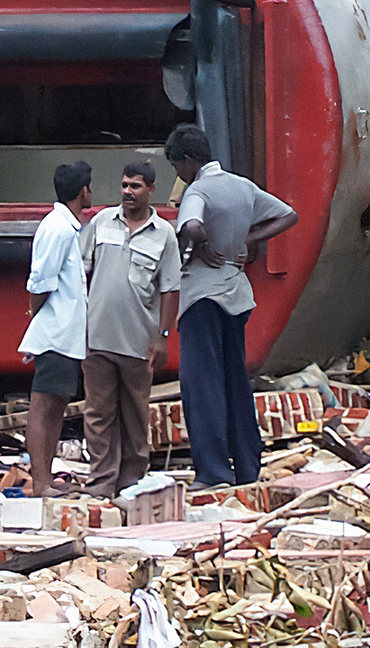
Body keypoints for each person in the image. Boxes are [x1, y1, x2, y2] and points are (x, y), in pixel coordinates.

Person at [164, 124, 299, 489]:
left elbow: (192, 224)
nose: (178, 173)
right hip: (236, 294)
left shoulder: (198, 190)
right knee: (235, 381)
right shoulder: (242, 186)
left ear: (188, 160)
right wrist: (248, 238)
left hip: (201, 297)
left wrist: (201, 242)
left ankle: (213, 471)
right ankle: (247, 466)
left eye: (177, 165)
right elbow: (289, 215)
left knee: (202, 385)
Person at [78, 162, 181, 498]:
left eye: (135, 186)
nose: (128, 192)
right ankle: (101, 483)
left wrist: (163, 338)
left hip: (139, 343)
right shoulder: (101, 222)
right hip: (97, 339)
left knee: (135, 415)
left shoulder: (163, 234)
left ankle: (131, 482)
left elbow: (170, 289)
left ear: (151, 189)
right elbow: (80, 272)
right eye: (124, 185)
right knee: (98, 414)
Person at [18, 161, 91, 497]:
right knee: (43, 405)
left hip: (66, 332)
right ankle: (41, 482)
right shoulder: (58, 228)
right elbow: (40, 282)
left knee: (56, 405)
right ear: (84, 191)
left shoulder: (66, 227)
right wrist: (37, 317)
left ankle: (45, 478)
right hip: (56, 331)